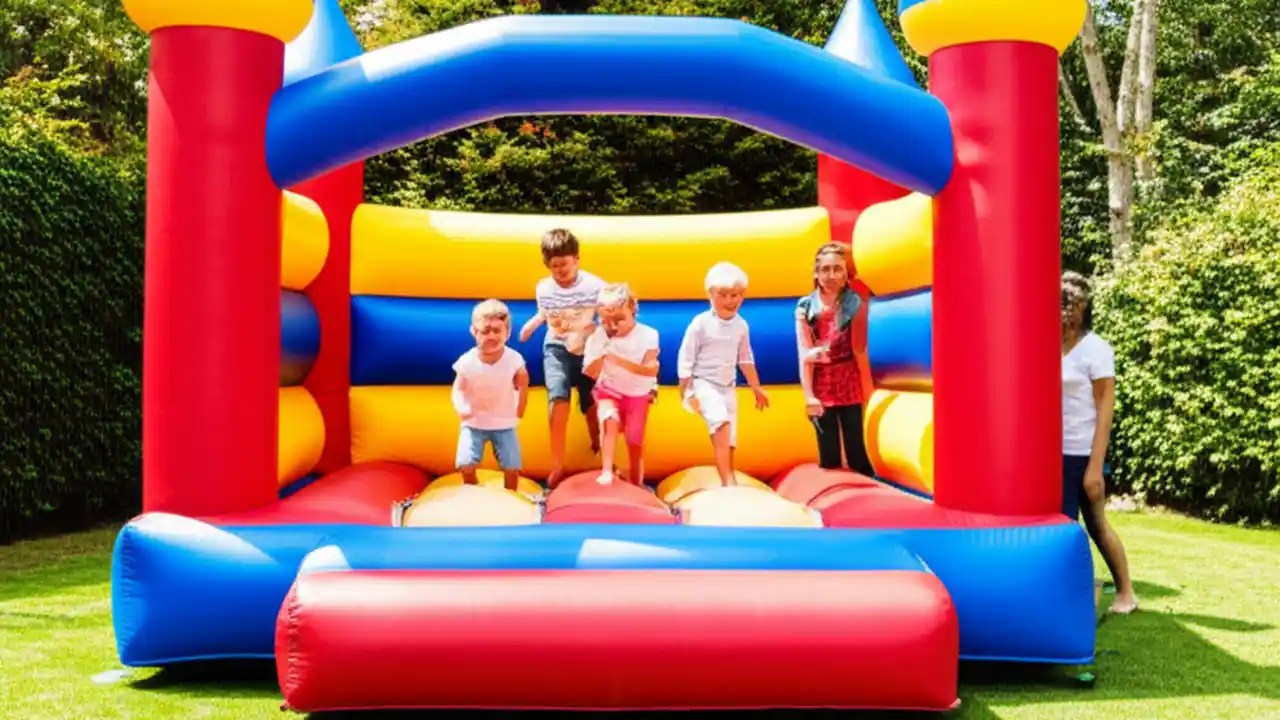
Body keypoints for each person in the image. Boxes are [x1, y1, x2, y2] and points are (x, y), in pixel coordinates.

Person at [1061, 271, 1138, 614]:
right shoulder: (1047, 343)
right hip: (1051, 452)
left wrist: (1095, 467)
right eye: (1064, 303)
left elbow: (1105, 410)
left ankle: (1125, 593)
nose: (1068, 310)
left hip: (1081, 452)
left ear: (1084, 308)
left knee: (1093, 523)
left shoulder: (1096, 350)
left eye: (1075, 304)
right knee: (1067, 525)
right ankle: (1077, 593)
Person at [518, 228, 605, 486]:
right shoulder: (544, 288)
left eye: (564, 264)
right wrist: (532, 325)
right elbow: (545, 314)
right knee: (558, 399)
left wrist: (589, 332)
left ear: (576, 259)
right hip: (556, 346)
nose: (560, 271)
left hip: (587, 349)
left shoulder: (594, 285)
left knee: (592, 403)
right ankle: (556, 464)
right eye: (554, 266)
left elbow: (609, 317)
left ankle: (598, 444)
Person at [677, 261, 770, 486]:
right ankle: (727, 479)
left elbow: (746, 359)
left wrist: (756, 388)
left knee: (730, 436)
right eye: (723, 295)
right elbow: (686, 357)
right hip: (704, 383)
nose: (730, 301)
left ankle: (729, 475)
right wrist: (686, 391)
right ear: (710, 294)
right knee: (720, 423)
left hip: (728, 385)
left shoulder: (741, 325)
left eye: (735, 295)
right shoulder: (700, 324)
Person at [794, 242, 874, 475]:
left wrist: (867, 393)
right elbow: (804, 355)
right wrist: (809, 396)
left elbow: (860, 350)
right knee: (828, 450)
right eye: (825, 269)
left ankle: (866, 488)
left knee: (856, 447)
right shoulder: (806, 307)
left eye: (837, 269)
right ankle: (834, 491)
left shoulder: (855, 303)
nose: (831, 275)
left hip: (849, 380)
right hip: (822, 383)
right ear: (816, 274)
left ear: (846, 274)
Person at [582, 283, 660, 486]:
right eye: (606, 321)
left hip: (638, 393)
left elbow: (651, 369)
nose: (614, 326)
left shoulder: (649, 335)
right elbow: (590, 373)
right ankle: (606, 470)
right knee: (609, 420)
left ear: (633, 309)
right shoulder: (599, 336)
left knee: (634, 439)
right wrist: (600, 354)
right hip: (609, 390)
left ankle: (636, 480)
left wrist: (618, 360)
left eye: (619, 319)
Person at [451, 299, 529, 492]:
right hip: (474, 422)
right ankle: (472, 491)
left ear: (508, 332)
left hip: (504, 421)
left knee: (512, 467)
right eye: (485, 332)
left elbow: (523, 383)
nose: (492, 336)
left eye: (497, 331)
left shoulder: (514, 359)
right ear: (474, 332)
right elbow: (458, 388)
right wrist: (462, 407)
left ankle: (511, 494)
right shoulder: (467, 362)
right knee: (466, 464)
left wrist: (520, 407)